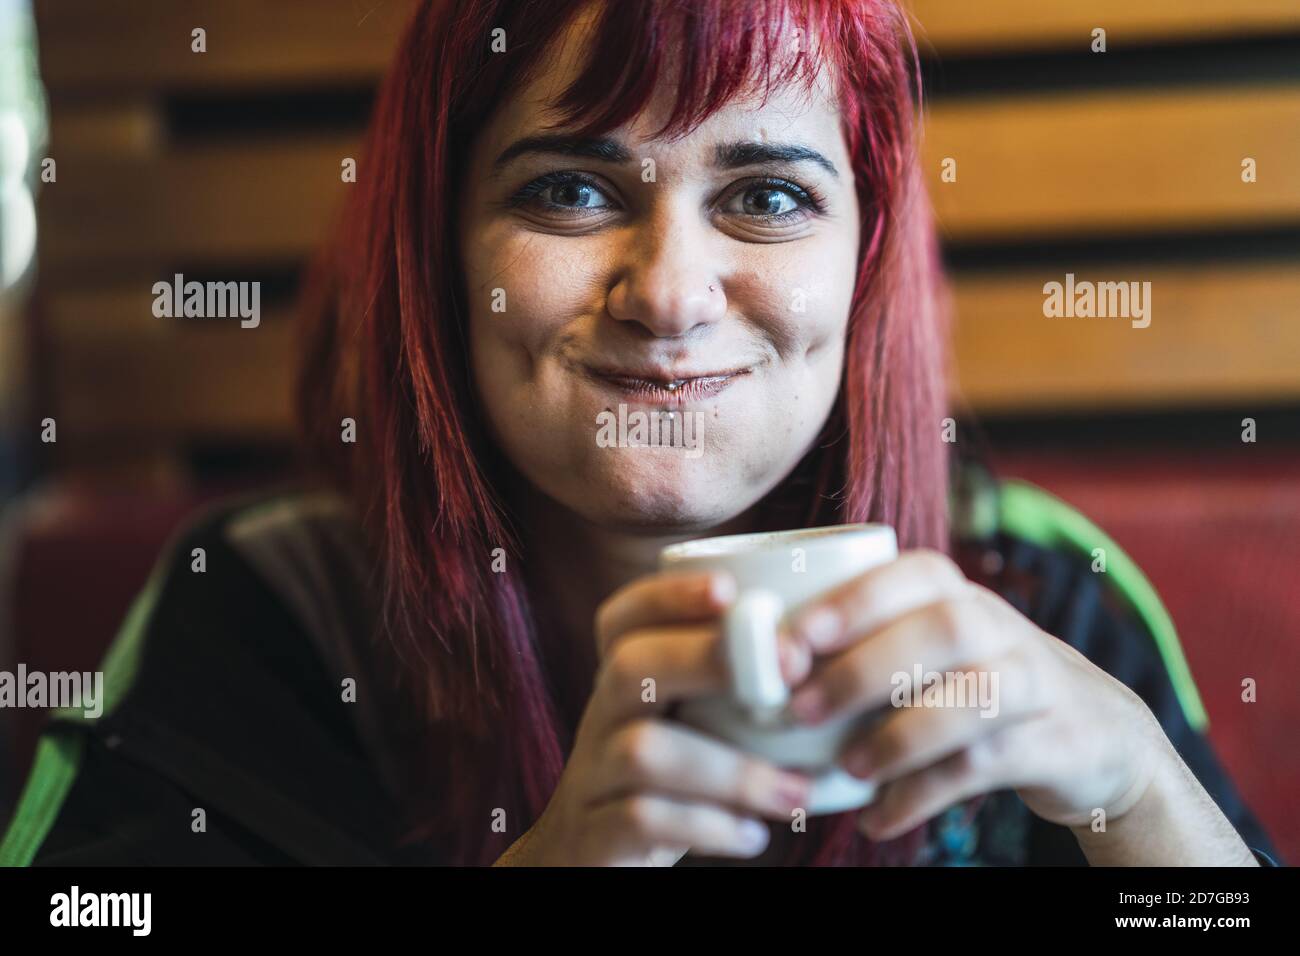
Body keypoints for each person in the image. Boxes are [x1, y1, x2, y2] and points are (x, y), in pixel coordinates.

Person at [1, 0, 1280, 867]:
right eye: (570, 188)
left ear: (864, 262)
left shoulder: (1036, 585)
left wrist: (1136, 786)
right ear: (438, 248)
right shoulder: (270, 618)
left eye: (767, 194)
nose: (667, 292)